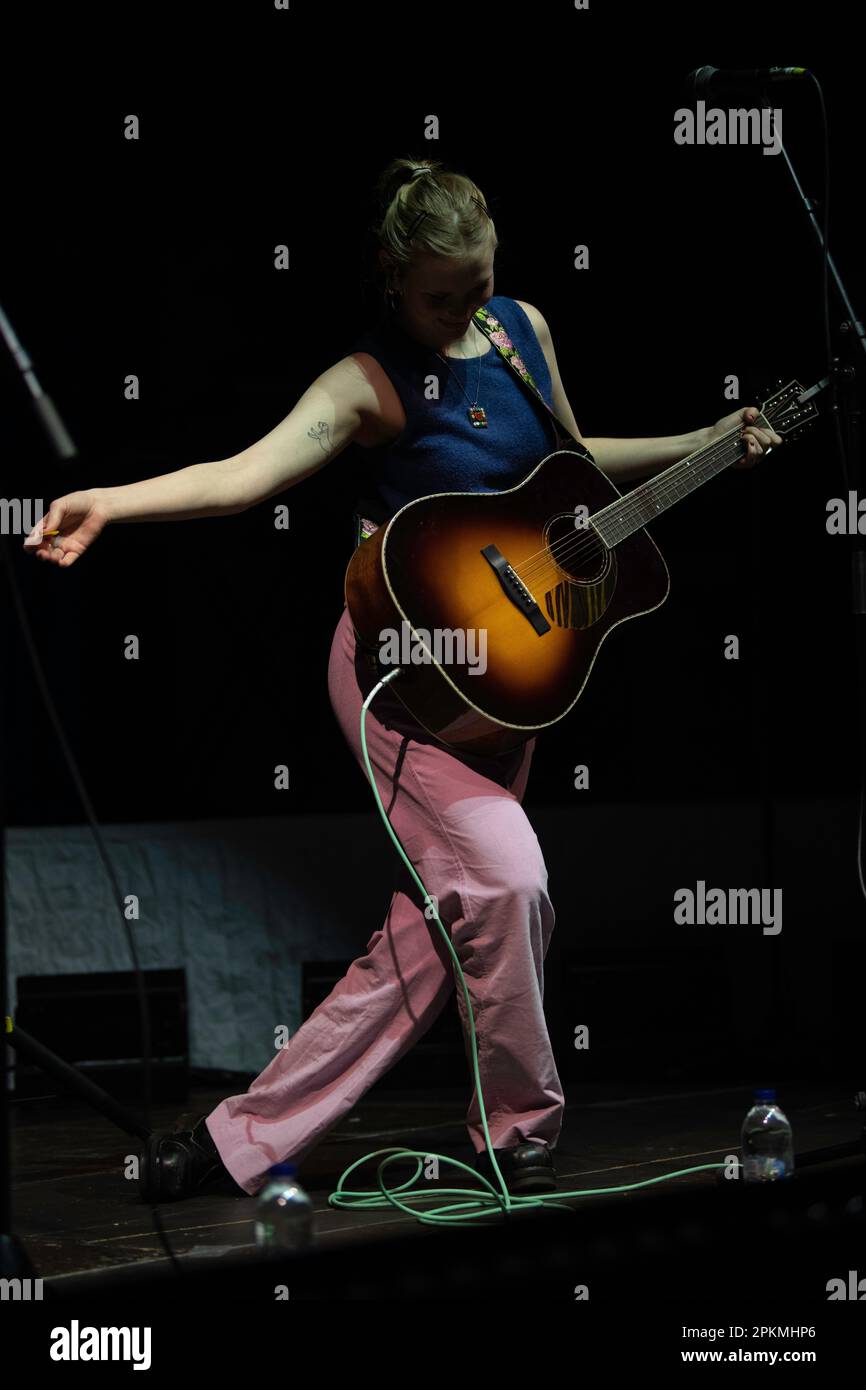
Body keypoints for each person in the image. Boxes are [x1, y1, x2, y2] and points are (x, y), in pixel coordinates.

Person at [23, 156, 781, 1201]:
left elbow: (571, 461)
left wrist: (700, 442)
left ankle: (234, 1141)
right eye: (440, 296)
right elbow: (241, 477)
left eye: (476, 287)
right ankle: (516, 1132)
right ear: (390, 273)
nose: (463, 312)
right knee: (507, 880)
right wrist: (109, 500)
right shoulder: (365, 381)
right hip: (400, 678)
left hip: (506, 680)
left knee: (433, 930)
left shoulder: (521, 331)